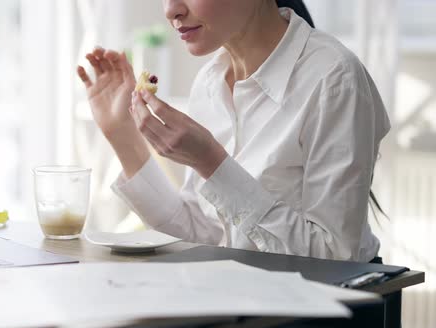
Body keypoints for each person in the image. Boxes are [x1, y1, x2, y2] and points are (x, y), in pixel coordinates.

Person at [76, 0, 390, 262]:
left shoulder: (334, 80)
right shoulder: (210, 82)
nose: (171, 9)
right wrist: (122, 134)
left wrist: (212, 163)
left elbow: (333, 259)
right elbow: (205, 235)